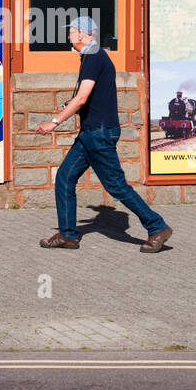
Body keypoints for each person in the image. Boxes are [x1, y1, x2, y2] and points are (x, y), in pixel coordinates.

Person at [36, 16, 173, 253]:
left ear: (83, 34)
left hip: (98, 134)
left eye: (71, 32)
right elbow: (89, 96)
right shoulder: (93, 57)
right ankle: (68, 235)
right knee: (65, 178)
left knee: (117, 186)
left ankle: (157, 226)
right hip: (91, 133)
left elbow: (82, 98)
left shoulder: (94, 57)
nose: (69, 36)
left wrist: (54, 122)